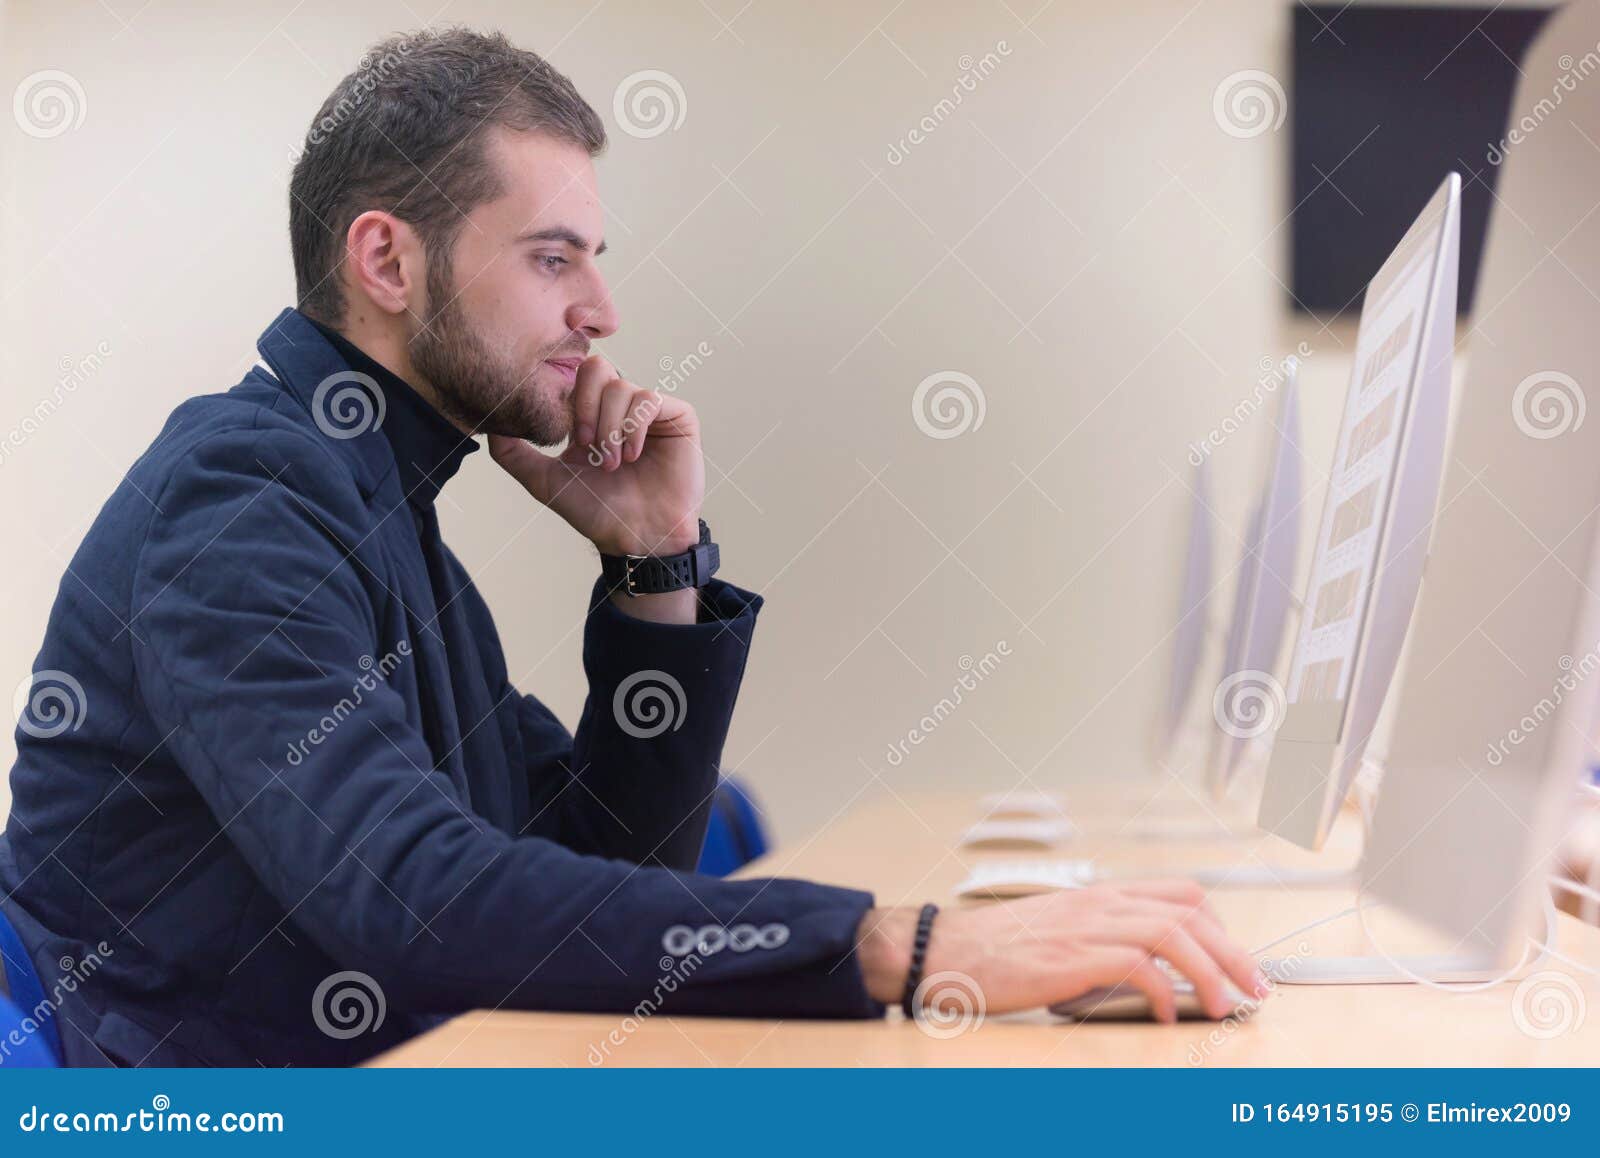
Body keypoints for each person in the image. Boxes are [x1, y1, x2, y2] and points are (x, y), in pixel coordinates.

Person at [0, 27, 1265, 1066]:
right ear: (385, 259)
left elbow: (584, 873)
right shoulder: (241, 500)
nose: (600, 311)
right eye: (552, 260)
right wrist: (906, 947)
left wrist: (656, 569)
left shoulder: (381, 507)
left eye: (592, 262)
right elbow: (411, 899)